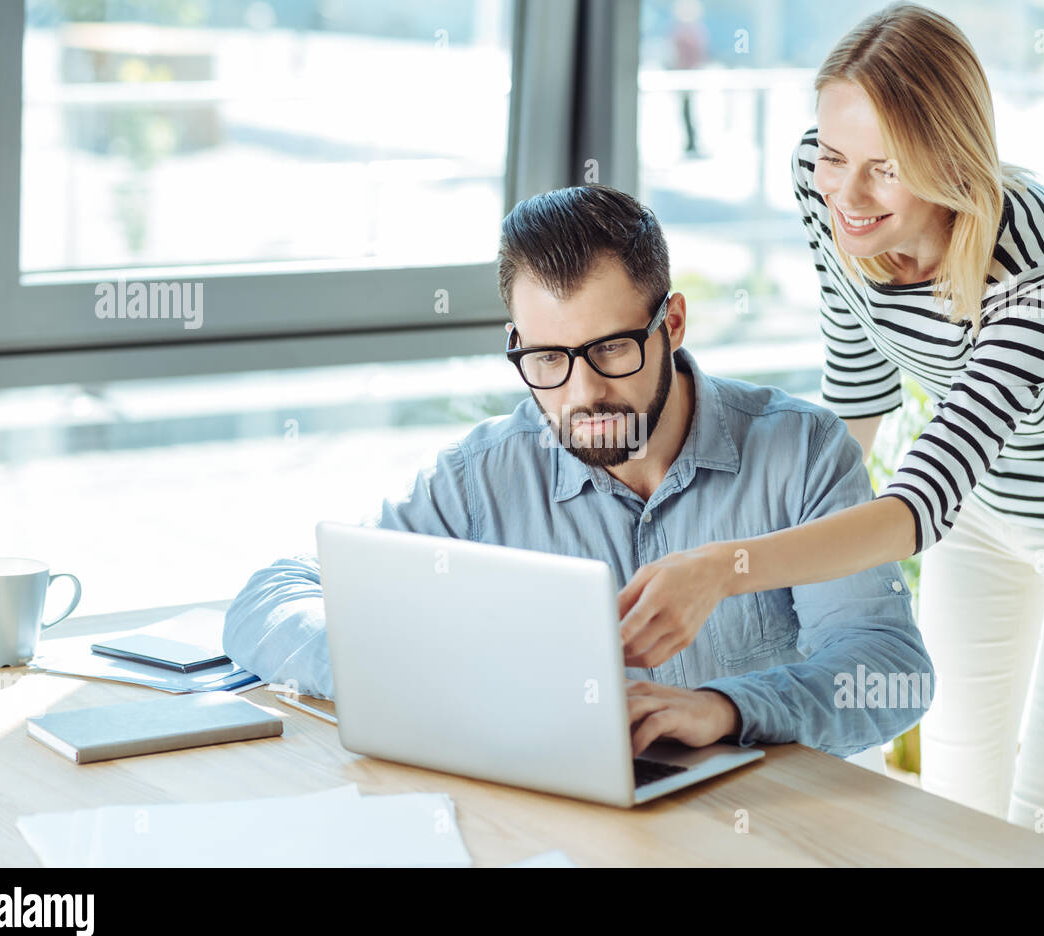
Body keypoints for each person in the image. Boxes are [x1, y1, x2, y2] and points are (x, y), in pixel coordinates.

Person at [615, 2, 1044, 851]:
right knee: (955, 791)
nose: (846, 194)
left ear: (949, 160)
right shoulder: (825, 182)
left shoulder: (1041, 269)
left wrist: (724, 567)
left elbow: (916, 506)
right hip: (985, 510)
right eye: (836, 155)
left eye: (884, 169)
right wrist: (784, 565)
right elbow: (857, 381)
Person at [223, 183, 932, 762]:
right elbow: (273, 597)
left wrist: (725, 709)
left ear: (674, 322)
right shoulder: (487, 476)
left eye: (612, 349)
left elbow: (891, 670)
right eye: (548, 360)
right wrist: (417, 671)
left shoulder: (801, 451)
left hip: (757, 827)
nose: (581, 394)